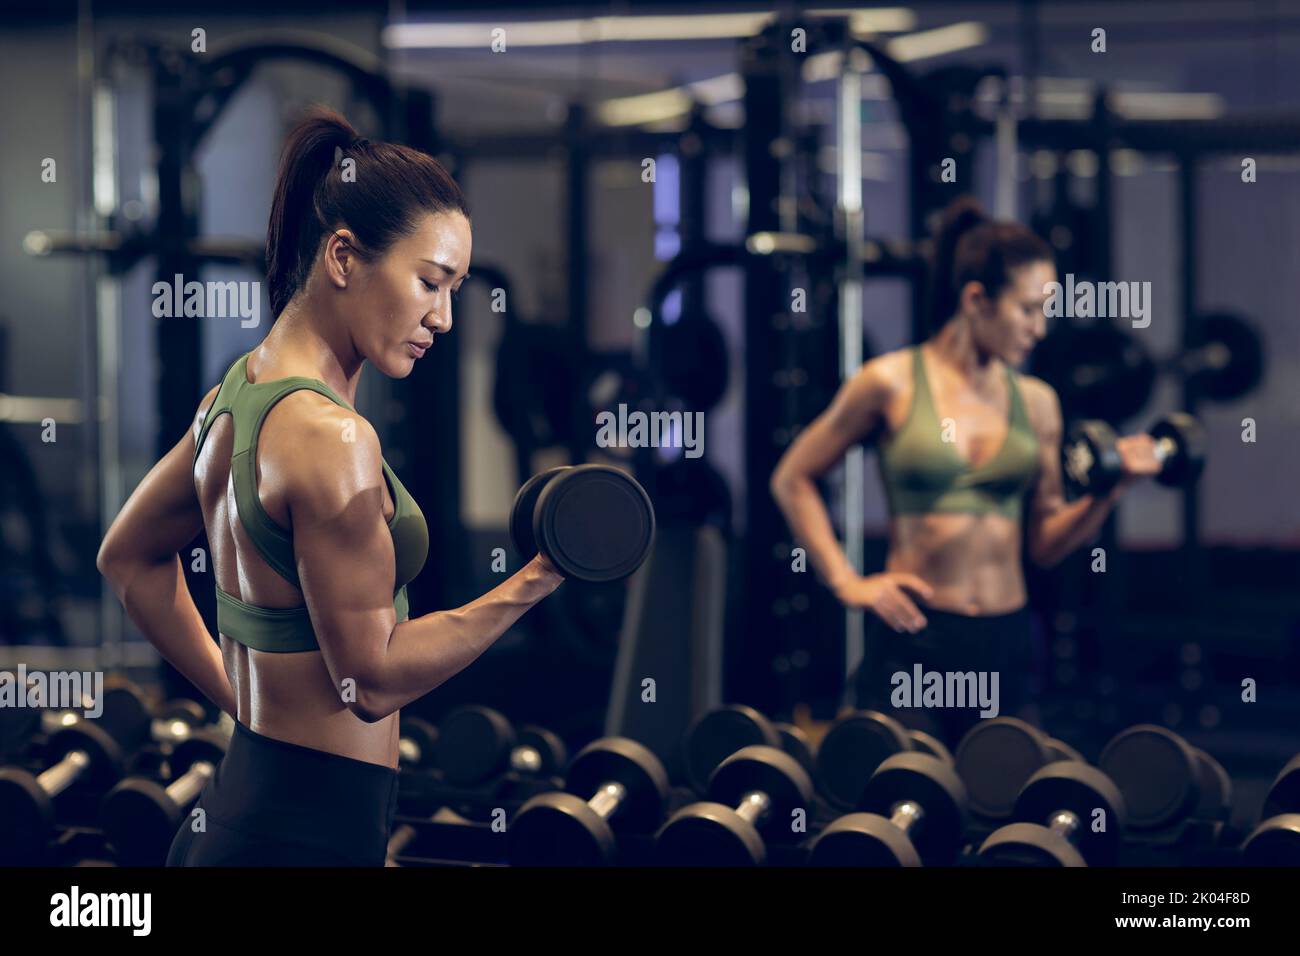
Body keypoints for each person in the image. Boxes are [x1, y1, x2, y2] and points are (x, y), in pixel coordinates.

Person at [96, 106, 563, 865]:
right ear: (343, 256)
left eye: (455, 289)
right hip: (303, 836)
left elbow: (127, 560)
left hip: (251, 804)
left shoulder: (232, 399)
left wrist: (242, 701)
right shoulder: (331, 438)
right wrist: (539, 577)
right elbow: (371, 681)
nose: (445, 318)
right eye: (429, 282)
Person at [770, 196, 1161, 746]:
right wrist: (846, 581)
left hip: (1006, 642)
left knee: (1014, 795)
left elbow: (1044, 544)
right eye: (1028, 310)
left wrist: (1110, 490)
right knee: (910, 791)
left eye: (1045, 311)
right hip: (916, 637)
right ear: (977, 300)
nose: (1040, 329)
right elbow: (792, 477)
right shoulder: (889, 382)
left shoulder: (1038, 402)